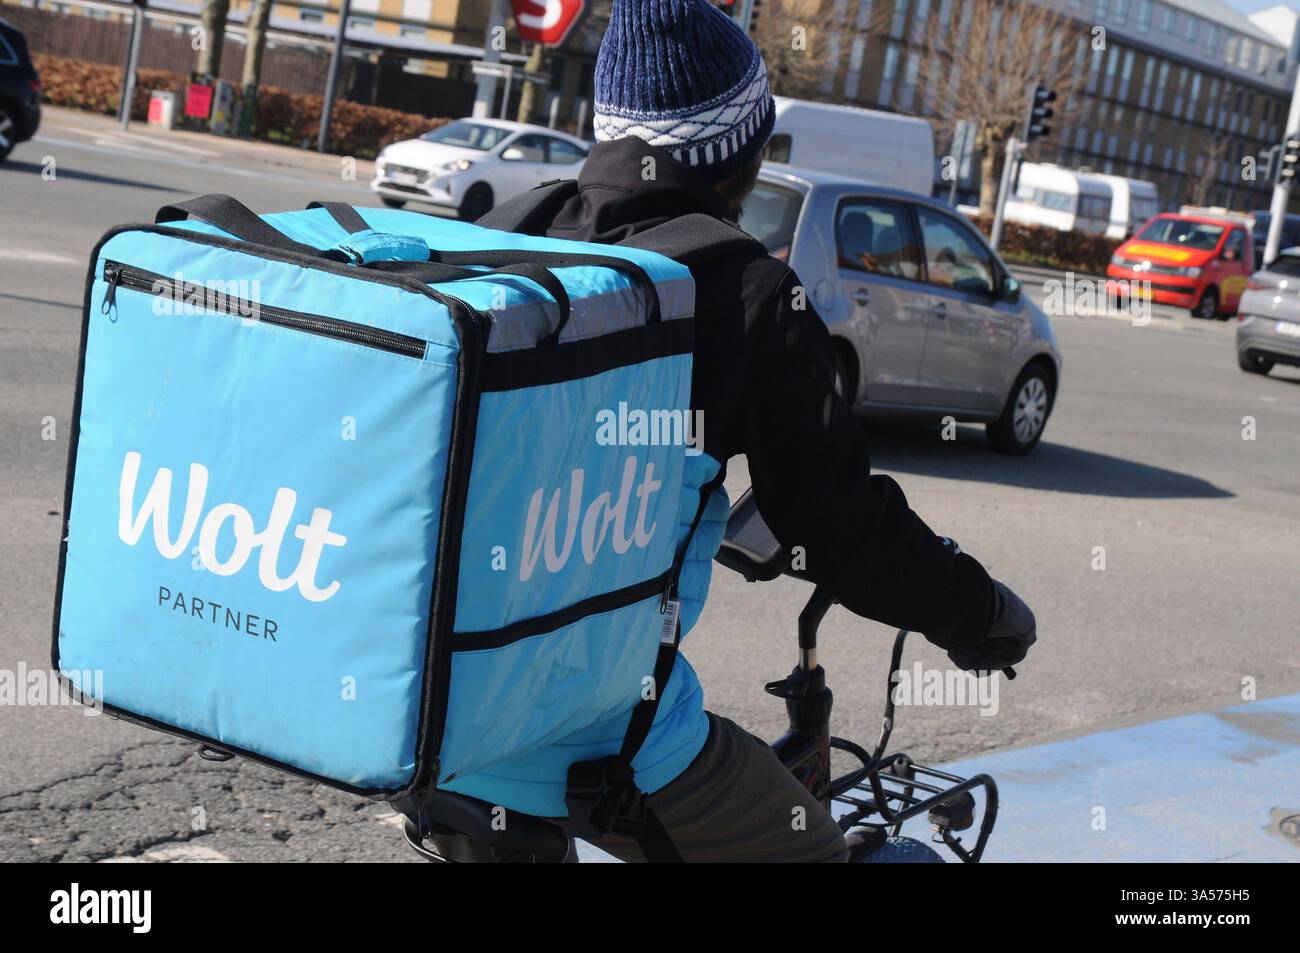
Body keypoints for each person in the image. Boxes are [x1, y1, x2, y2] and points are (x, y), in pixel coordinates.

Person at [474, 0, 1036, 862]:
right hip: (602, 738)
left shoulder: (504, 235)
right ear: (738, 157)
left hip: (442, 717)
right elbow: (839, 528)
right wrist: (979, 611)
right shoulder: (749, 298)